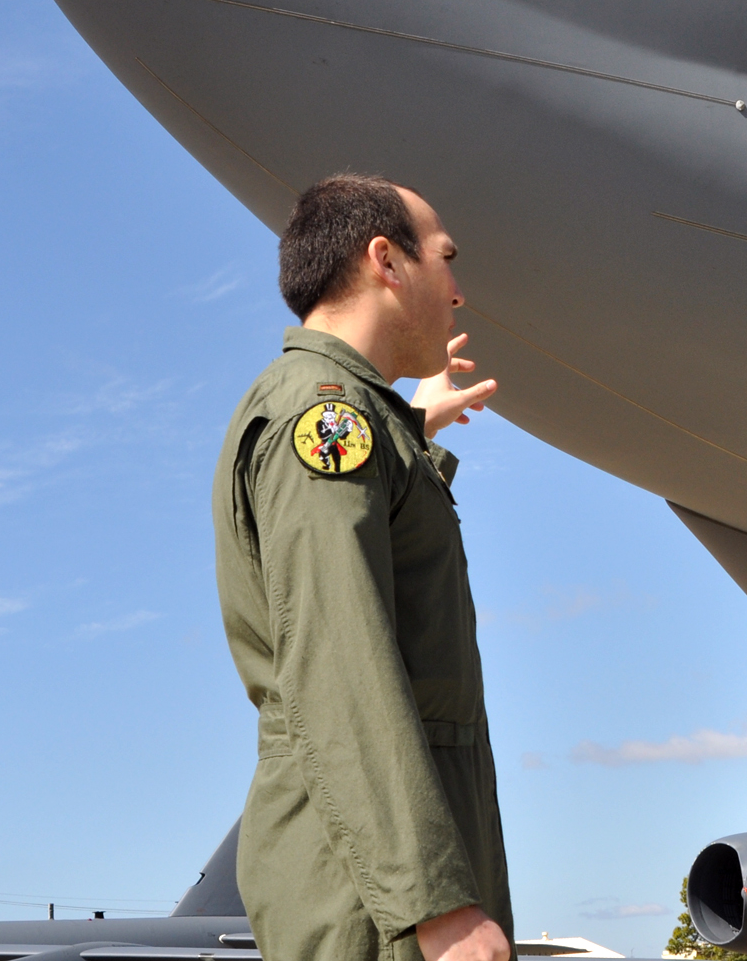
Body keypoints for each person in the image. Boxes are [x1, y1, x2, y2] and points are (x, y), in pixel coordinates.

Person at [212, 173, 511, 961]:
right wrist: (434, 902)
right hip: (375, 895)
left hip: (382, 877)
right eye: (446, 260)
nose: (457, 292)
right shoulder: (325, 418)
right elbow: (339, 665)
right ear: (387, 260)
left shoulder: (352, 418)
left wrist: (408, 427)